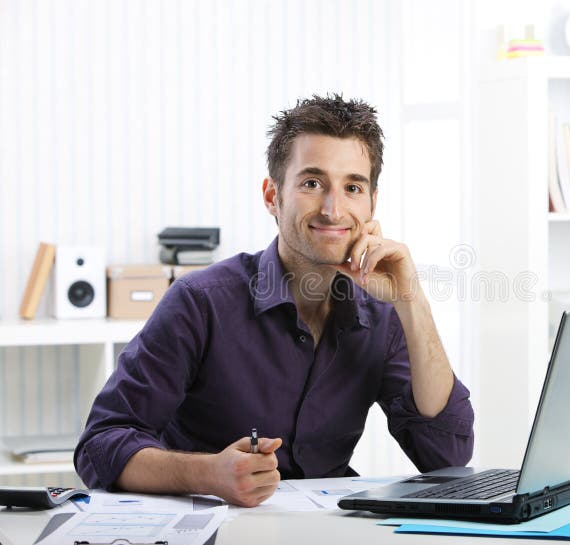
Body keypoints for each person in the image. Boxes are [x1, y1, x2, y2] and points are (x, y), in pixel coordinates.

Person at [74, 94, 474, 507]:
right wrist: (209, 473)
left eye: (352, 187)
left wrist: (411, 300)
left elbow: (445, 455)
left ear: (372, 202)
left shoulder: (381, 312)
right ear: (272, 196)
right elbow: (100, 445)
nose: (333, 210)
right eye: (312, 183)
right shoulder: (200, 303)